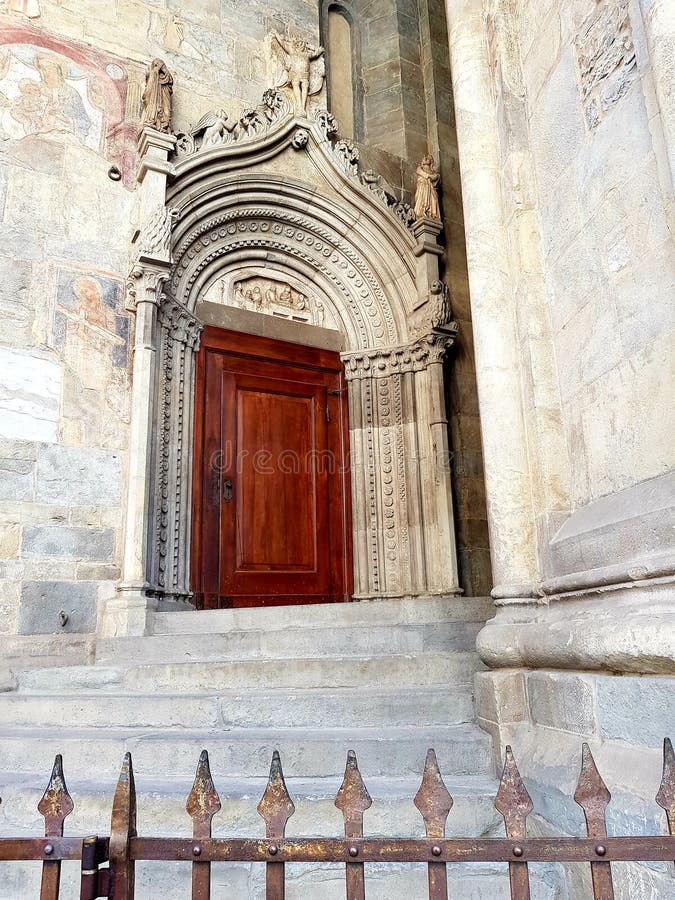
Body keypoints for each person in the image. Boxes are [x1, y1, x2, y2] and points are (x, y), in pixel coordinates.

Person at [141, 58, 173, 133]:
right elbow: (148, 89)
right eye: (159, 64)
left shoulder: (166, 78)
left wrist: (164, 70)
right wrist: (156, 70)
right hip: (154, 99)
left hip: (164, 97)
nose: (162, 66)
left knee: (166, 113)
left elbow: (170, 81)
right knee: (154, 110)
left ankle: (164, 126)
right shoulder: (152, 73)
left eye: (163, 65)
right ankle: (153, 122)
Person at [414, 154, 441, 221]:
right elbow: (419, 172)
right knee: (422, 199)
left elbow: (435, 177)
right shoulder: (420, 169)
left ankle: (432, 214)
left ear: (431, 161)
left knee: (433, 200)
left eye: (428, 158)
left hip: (431, 189)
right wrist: (428, 176)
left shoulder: (434, 173)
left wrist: (430, 177)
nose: (426, 159)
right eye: (424, 158)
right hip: (422, 188)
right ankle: (422, 211)